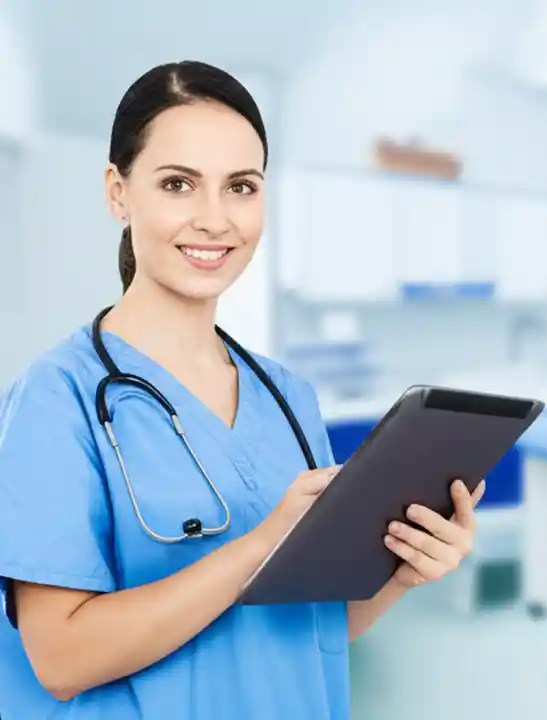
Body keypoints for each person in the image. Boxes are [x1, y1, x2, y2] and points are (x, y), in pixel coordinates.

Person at [0, 60, 484, 718]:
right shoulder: (57, 400)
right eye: (178, 184)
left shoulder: (288, 398)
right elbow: (60, 659)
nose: (214, 219)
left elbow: (317, 624)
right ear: (118, 192)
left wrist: (402, 571)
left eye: (241, 187)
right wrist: (259, 547)